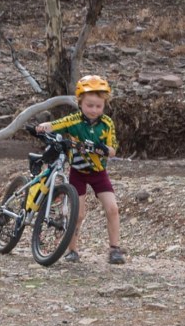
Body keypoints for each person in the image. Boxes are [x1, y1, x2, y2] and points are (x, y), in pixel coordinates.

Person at [36, 74, 125, 265]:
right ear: (80, 104)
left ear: (104, 106)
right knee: (78, 213)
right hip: (78, 172)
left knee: (112, 208)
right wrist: (44, 126)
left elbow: (113, 150)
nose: (94, 110)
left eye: (98, 106)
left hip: (99, 173)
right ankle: (72, 250)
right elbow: (56, 125)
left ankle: (115, 248)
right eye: (89, 105)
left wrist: (101, 149)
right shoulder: (74, 120)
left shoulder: (107, 124)